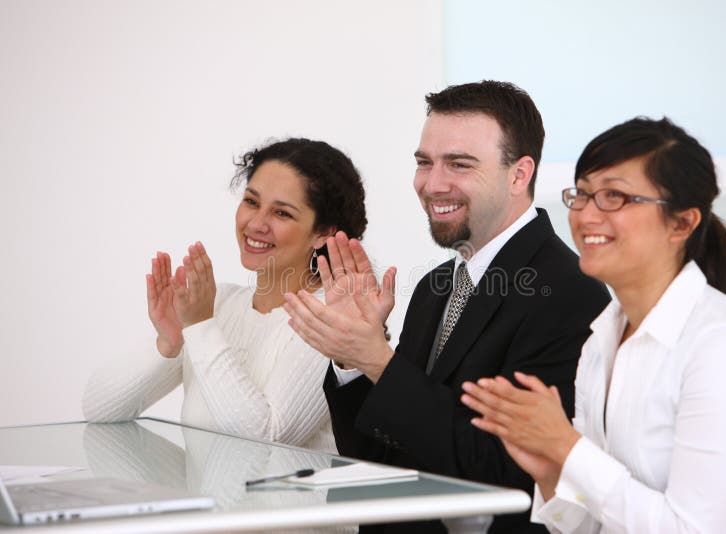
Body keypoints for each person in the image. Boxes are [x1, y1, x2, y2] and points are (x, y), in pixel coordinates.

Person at [283, 81, 610, 532]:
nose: (432, 184)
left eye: (459, 164)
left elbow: (508, 477)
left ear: (519, 175)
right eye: (424, 162)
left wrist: (379, 362)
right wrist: (353, 361)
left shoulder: (571, 292)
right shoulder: (435, 287)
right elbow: (375, 459)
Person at [461, 117, 726, 533]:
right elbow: (592, 526)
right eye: (582, 194)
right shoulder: (603, 336)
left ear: (682, 223)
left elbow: (688, 529)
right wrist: (551, 471)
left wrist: (567, 447)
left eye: (614, 197)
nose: (586, 215)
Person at [83, 138, 368, 453]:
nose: (256, 223)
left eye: (282, 213)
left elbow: (267, 439)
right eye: (251, 201)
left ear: (323, 232)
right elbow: (99, 410)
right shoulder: (217, 305)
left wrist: (201, 327)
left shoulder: (330, 319)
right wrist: (168, 343)